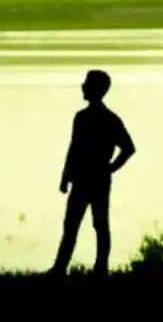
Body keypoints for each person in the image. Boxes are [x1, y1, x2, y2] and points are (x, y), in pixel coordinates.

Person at [48, 69, 136, 277]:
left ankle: (99, 268)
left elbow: (128, 148)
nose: (83, 87)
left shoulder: (107, 119)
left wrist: (111, 168)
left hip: (95, 179)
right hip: (85, 178)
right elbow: (74, 148)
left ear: (97, 89)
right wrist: (65, 176)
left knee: (97, 223)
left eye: (87, 83)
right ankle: (61, 268)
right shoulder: (83, 118)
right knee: (73, 224)